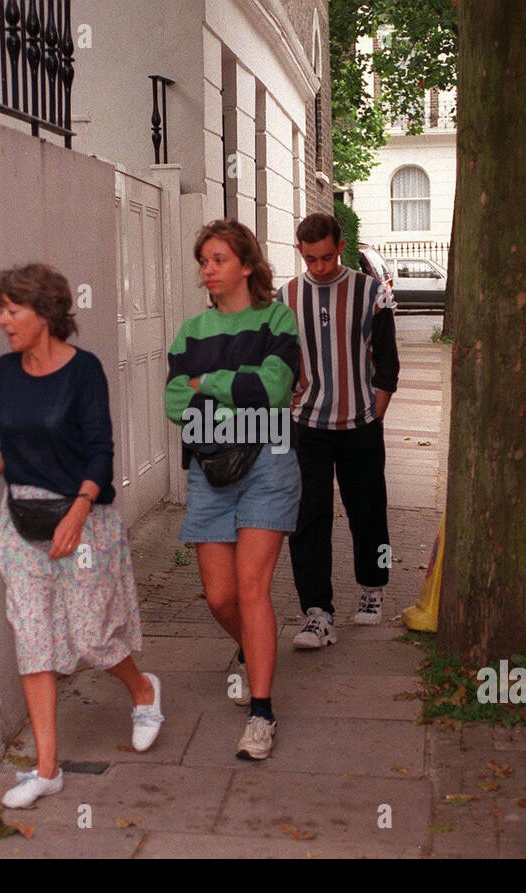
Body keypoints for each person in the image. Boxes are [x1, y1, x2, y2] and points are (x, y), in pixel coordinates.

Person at [0, 263, 163, 809]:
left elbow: (99, 450)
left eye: (12, 310)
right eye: (1, 309)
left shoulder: (83, 371)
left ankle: (143, 689)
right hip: (21, 521)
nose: (3, 320)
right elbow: (15, 450)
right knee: (33, 638)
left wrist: (80, 510)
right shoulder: (3, 373)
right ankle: (47, 769)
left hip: (82, 515)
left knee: (91, 635)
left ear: (44, 313)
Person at [164, 219, 300, 760]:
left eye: (218, 259)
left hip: (269, 462)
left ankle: (262, 714)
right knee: (219, 595)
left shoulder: (276, 318)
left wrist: (209, 383)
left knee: (251, 589)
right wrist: (232, 386)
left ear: (246, 264)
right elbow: (175, 403)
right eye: (203, 262)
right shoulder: (190, 331)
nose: (208, 270)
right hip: (209, 469)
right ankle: (251, 648)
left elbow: (273, 389)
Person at [276, 212, 400, 649]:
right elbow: (278, 356)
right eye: (311, 259)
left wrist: (374, 413)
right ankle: (317, 613)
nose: (321, 267)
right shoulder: (285, 296)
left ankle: (372, 589)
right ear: (300, 253)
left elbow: (387, 362)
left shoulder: (372, 293)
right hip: (306, 428)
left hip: (360, 424)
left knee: (368, 510)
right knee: (307, 518)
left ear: (340, 246)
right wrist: (288, 385)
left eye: (327, 257)